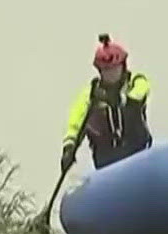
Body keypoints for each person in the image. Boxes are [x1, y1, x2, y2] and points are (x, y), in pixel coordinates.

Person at [61, 34, 153, 172]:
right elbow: (76, 122)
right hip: (106, 163)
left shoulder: (136, 82)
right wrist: (69, 148)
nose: (111, 74)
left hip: (138, 154)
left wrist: (119, 99)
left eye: (114, 69)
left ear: (123, 66)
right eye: (106, 71)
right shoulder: (90, 95)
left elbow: (139, 93)